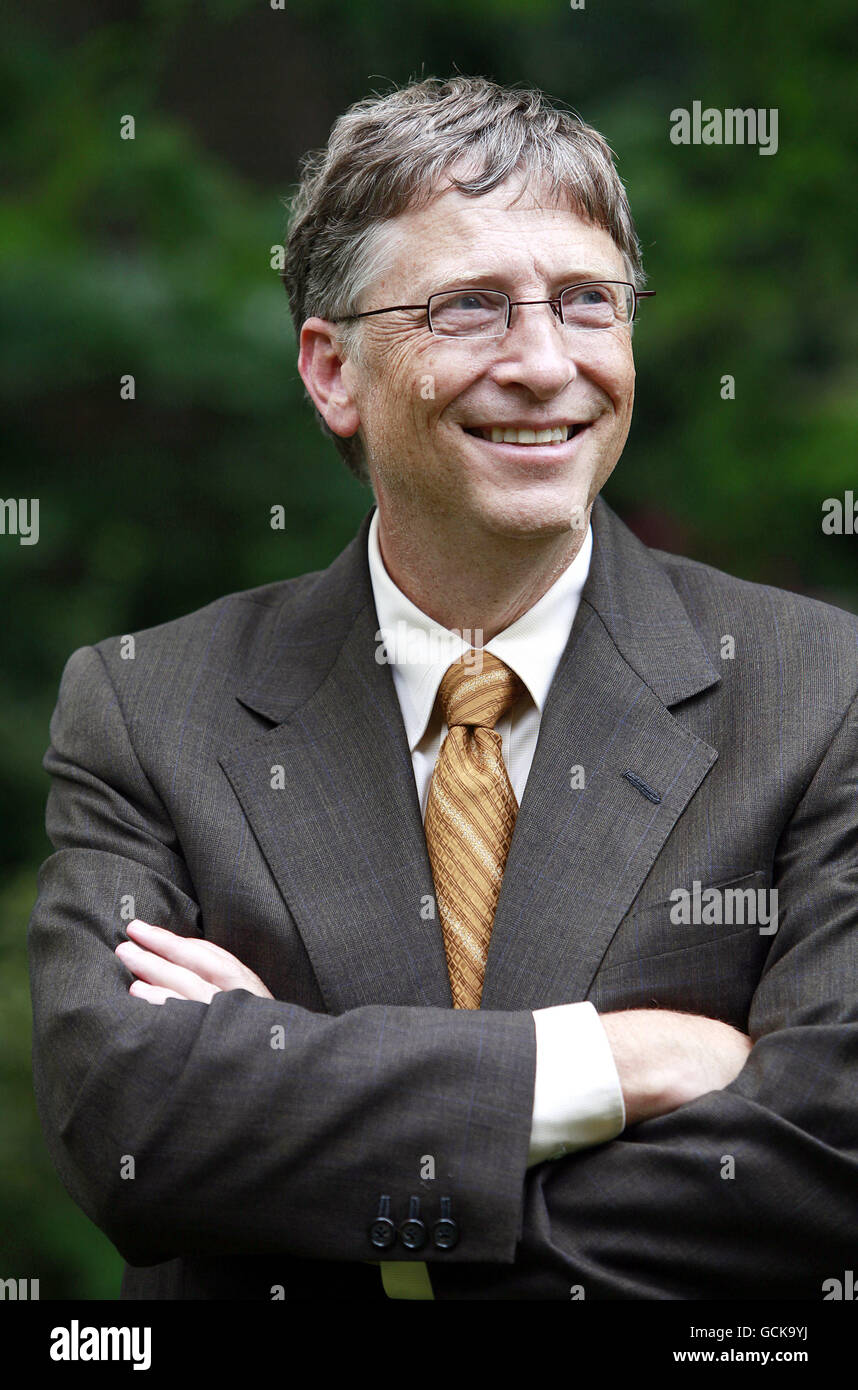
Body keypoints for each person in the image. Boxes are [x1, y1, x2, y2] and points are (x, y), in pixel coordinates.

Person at [27, 75, 858, 1301]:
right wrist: (601, 1070)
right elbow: (132, 1128)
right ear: (333, 371)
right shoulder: (151, 706)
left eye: (586, 302)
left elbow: (824, 1154)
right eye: (470, 308)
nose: (543, 363)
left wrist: (306, 1101)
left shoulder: (821, 689)